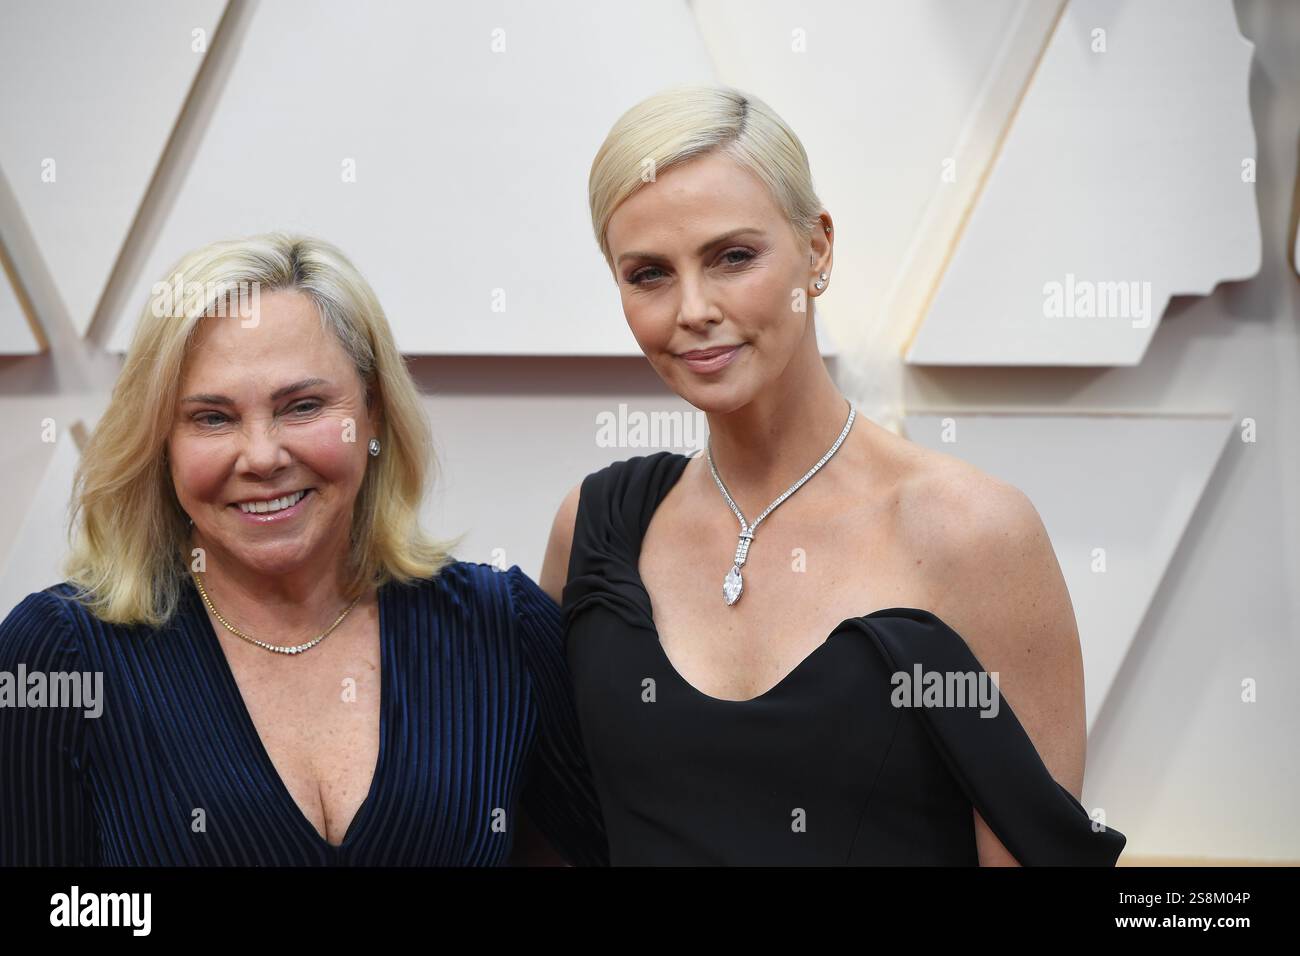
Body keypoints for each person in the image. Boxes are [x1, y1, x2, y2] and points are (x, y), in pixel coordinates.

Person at [540, 85, 1127, 865]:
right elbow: (549, 826)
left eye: (733, 257)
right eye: (648, 274)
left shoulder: (970, 531)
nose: (693, 309)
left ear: (816, 250)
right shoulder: (596, 527)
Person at [0, 233, 607, 866]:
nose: (262, 457)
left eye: (303, 406)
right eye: (213, 418)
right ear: (161, 442)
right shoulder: (57, 655)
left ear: (372, 412)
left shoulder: (503, 628)